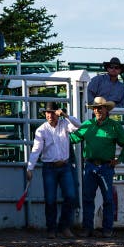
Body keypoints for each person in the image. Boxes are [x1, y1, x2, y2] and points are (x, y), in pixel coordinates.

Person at [69, 96, 124, 238]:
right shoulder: (88, 124)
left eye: (100, 108)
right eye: (95, 108)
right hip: (91, 165)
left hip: (105, 166)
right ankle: (89, 228)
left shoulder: (114, 126)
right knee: (88, 198)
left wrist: (119, 159)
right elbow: (73, 138)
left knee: (107, 199)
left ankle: (106, 228)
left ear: (106, 109)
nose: (97, 110)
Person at [26, 102, 82, 238]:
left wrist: (65, 115)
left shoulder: (64, 124)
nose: (50, 115)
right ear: (45, 114)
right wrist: (30, 167)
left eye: (52, 112)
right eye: (48, 112)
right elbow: (36, 150)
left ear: (57, 113)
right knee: (50, 199)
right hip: (50, 167)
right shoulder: (41, 130)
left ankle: (63, 226)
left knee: (70, 196)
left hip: (64, 166)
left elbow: (78, 125)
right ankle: (52, 228)